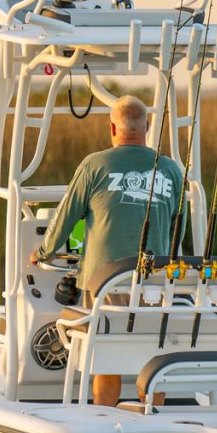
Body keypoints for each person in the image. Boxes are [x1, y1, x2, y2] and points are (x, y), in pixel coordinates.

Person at [32, 94, 184, 298]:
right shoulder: (172, 170)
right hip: (154, 288)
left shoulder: (93, 165)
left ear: (112, 128)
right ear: (147, 126)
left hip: (102, 286)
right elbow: (177, 232)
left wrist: (43, 252)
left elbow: (65, 217)